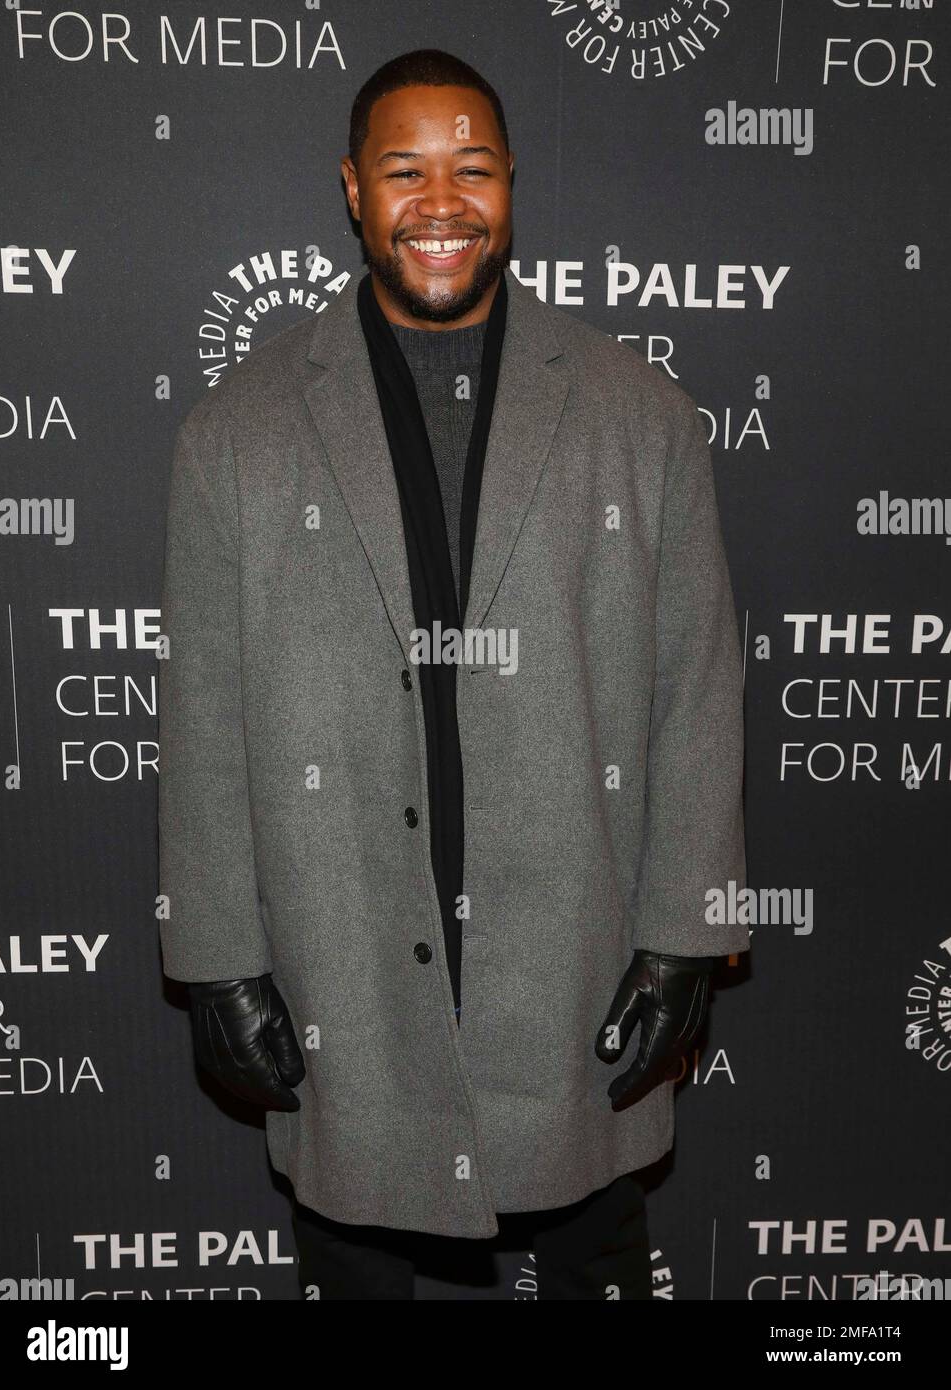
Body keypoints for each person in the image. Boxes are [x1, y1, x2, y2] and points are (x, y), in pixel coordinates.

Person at [157, 48, 750, 1300]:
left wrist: (683, 931)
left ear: (512, 185)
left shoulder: (641, 416)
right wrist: (215, 949)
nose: (441, 201)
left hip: (572, 936)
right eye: (405, 170)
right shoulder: (235, 432)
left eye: (471, 168)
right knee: (352, 1249)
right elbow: (202, 709)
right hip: (343, 937)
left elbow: (694, 681)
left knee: (590, 1238)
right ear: (353, 192)